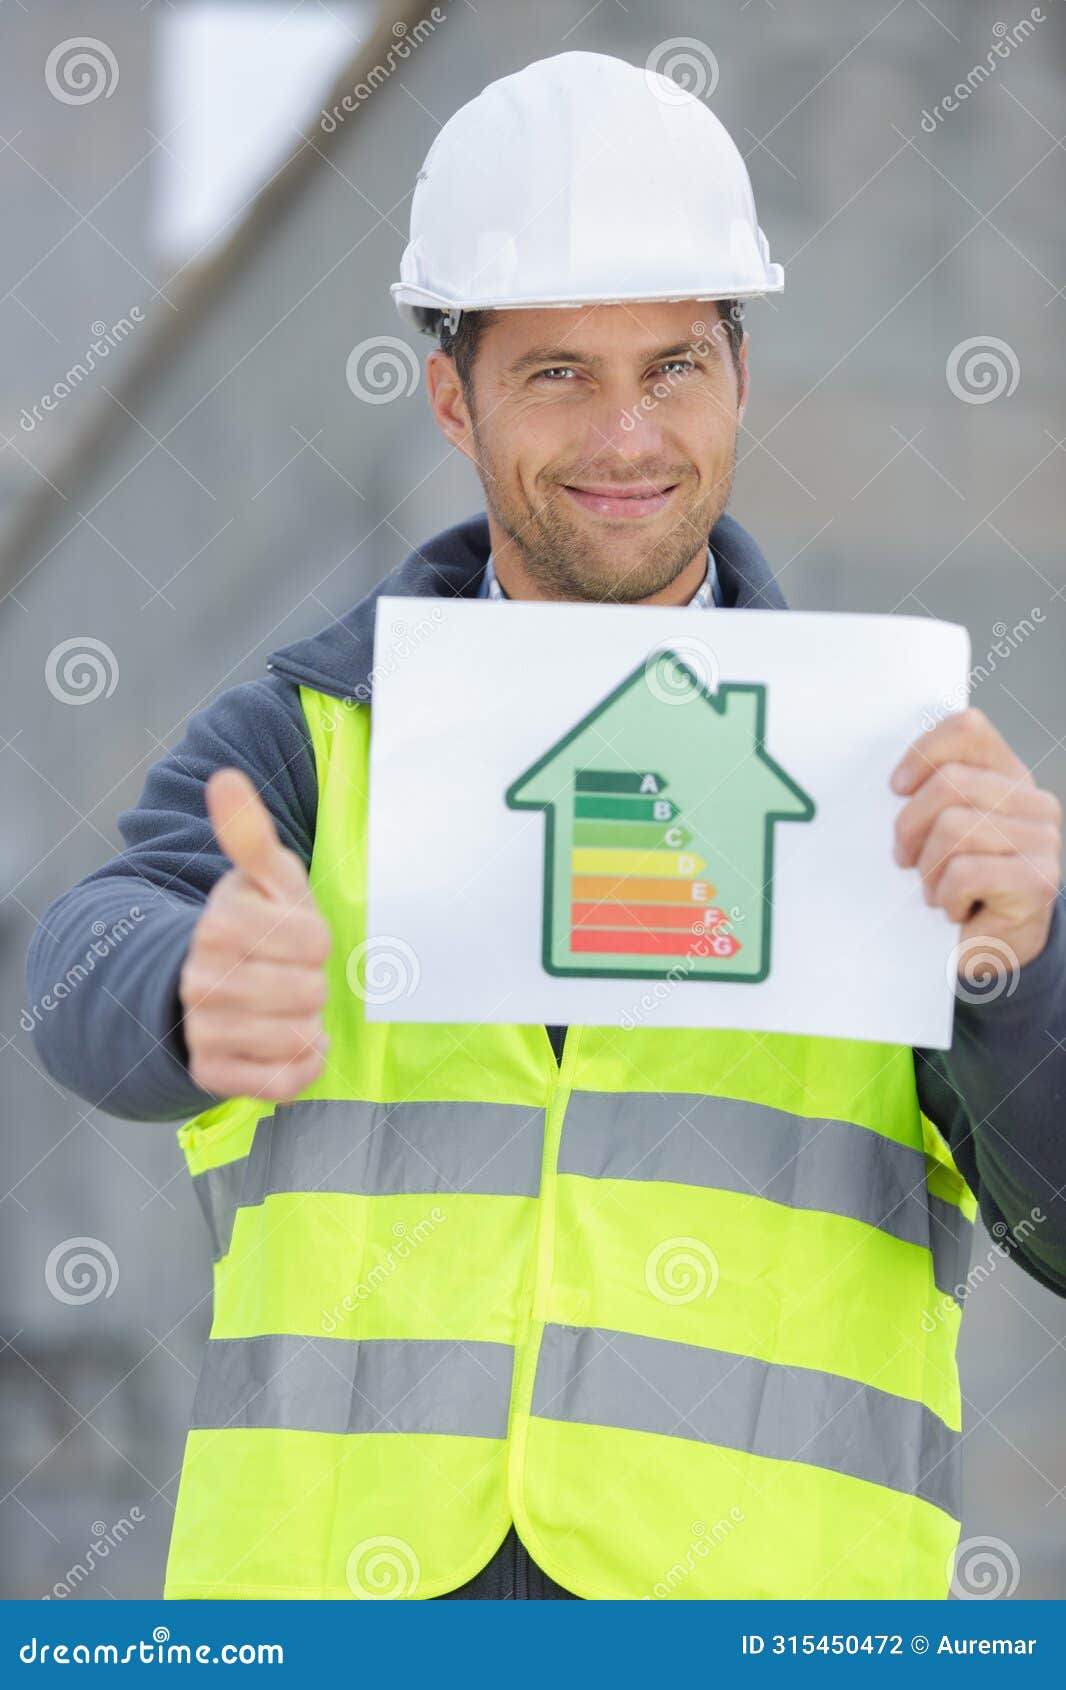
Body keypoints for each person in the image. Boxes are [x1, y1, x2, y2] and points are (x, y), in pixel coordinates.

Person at [26, 52, 1065, 1602]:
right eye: (556, 372)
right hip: (349, 1626)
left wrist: (1023, 974)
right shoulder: (309, 738)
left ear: (737, 377)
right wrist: (183, 982)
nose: (625, 436)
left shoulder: (896, 778)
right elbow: (74, 968)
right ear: (452, 395)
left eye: (670, 367)